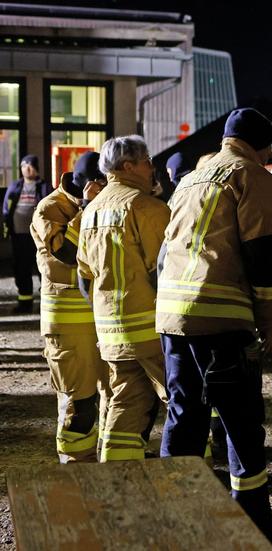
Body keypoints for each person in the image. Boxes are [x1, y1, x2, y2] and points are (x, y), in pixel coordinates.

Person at [156, 108, 272, 538]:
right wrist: (270, 322)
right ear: (263, 145)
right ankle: (251, 519)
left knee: (184, 418)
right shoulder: (254, 176)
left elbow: (166, 250)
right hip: (221, 318)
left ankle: (174, 514)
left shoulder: (191, 178)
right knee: (241, 423)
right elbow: (262, 257)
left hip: (173, 317)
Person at [75, 136, 170, 461]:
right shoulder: (148, 209)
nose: (151, 168)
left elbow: (84, 275)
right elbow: (167, 272)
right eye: (146, 161)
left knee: (125, 401)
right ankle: (199, 476)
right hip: (151, 330)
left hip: (110, 331)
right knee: (184, 401)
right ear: (128, 166)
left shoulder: (91, 211)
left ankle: (117, 475)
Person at [30, 152, 112, 462]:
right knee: (80, 400)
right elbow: (65, 253)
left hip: (101, 317)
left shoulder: (100, 202)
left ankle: (105, 462)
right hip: (68, 324)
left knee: (112, 392)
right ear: (93, 185)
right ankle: (76, 467)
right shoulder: (49, 208)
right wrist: (89, 209)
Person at [4, 154, 52, 313]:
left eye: (30, 165)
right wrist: (8, 229)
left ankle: (46, 302)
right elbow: (7, 208)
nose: (27, 168)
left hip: (38, 236)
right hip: (19, 235)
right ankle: (25, 302)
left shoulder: (44, 186)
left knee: (42, 267)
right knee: (21, 267)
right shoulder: (15, 186)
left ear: (36, 168)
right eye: (24, 166)